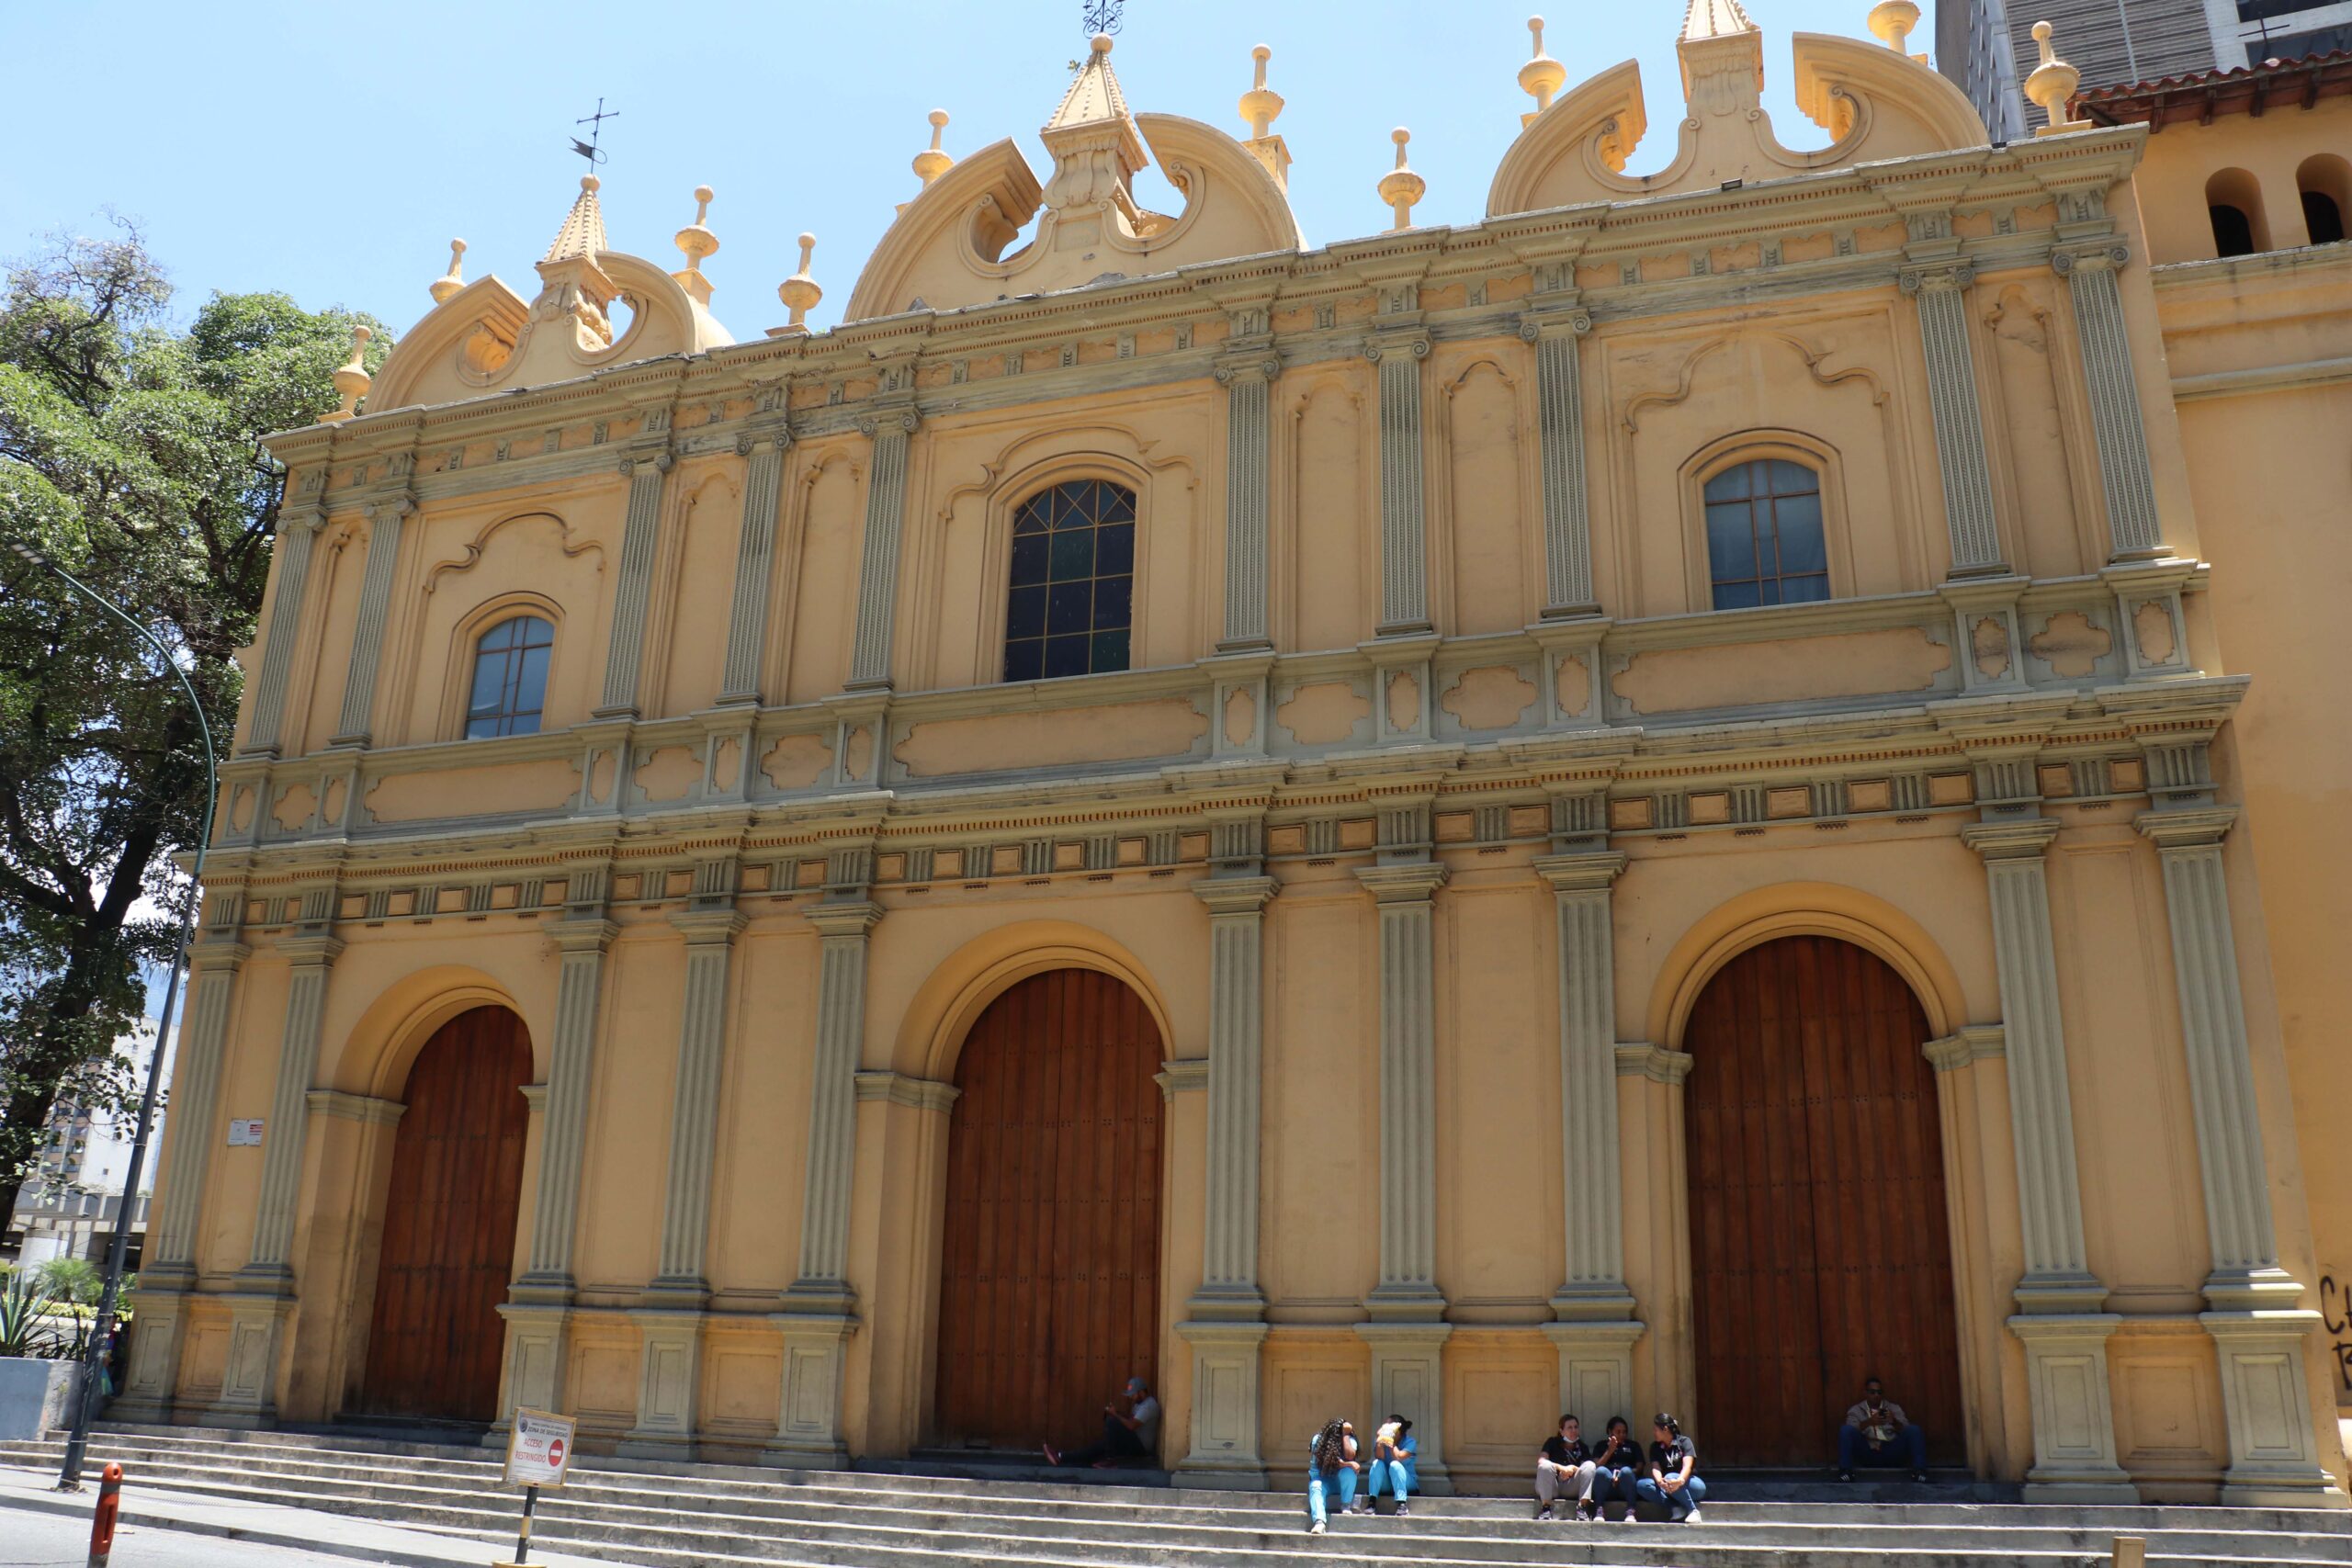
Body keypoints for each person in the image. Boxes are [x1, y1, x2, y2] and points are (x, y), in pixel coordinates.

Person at [1043, 1375, 1160, 1469]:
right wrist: (1117, 1412)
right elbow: (1131, 1418)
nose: (1131, 1397)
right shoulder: (1139, 1404)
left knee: (1111, 1422)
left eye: (1133, 1394)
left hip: (1141, 1447)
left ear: (1141, 1392)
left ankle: (1110, 1460)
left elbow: (1132, 1426)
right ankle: (1060, 1457)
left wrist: (1115, 1415)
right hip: (1133, 1441)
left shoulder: (1149, 1406)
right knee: (1097, 1448)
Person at [1838, 1375, 1929, 1483]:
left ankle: (1919, 1472)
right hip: (1868, 1452)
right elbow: (1850, 1429)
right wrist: (1869, 1422)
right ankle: (1846, 1472)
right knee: (1845, 1430)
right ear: (1865, 1393)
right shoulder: (1856, 1410)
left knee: (1914, 1430)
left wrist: (1894, 1421)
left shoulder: (1893, 1408)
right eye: (1872, 1392)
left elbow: (1906, 1429)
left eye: (1879, 1392)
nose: (1876, 1395)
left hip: (1891, 1451)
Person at [1633, 1411, 1705, 1523]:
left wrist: (1679, 1481)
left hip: (1690, 1485)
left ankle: (1692, 1510)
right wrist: (1659, 1481)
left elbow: (1687, 1467)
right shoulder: (1655, 1447)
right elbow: (1656, 1468)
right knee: (1642, 1485)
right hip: (1667, 1486)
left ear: (1665, 1429)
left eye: (1656, 1429)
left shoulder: (1684, 1442)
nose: (1654, 1432)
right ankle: (1675, 1507)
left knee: (1670, 1476)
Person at [1583, 1416, 1645, 1522]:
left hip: (1625, 1486)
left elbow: (1639, 1467)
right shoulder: (1601, 1445)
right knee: (1601, 1471)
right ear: (1610, 1431)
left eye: (1624, 1432)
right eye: (1618, 1432)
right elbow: (1596, 1466)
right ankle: (1599, 1510)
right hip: (1607, 1487)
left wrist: (1621, 1475)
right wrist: (1610, 1450)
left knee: (1626, 1470)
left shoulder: (1633, 1446)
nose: (1622, 1435)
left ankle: (1630, 1511)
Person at [1304, 1418, 1359, 1535]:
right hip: (1323, 1480)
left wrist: (1345, 1435)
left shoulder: (1349, 1440)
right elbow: (1324, 1463)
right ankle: (1319, 1522)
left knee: (1348, 1472)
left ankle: (1345, 1505)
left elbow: (1350, 1456)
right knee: (1315, 1485)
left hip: (1340, 1482)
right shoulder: (1318, 1440)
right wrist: (1347, 1464)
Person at [1533, 1413, 1593, 1519]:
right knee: (1545, 1466)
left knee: (1590, 1465)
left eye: (1575, 1427)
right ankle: (1546, 1508)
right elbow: (1541, 1461)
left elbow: (1585, 1470)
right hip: (1551, 1486)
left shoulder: (1582, 1447)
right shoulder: (1552, 1442)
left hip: (1570, 1486)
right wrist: (1562, 1468)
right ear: (1561, 1431)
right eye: (1569, 1428)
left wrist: (1573, 1469)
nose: (1573, 1430)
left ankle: (1582, 1508)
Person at [1361, 1414, 1418, 1515]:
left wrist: (1392, 1441)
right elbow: (1380, 1457)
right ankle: (1372, 1502)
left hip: (1407, 1482)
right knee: (1376, 1463)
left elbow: (1399, 1457)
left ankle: (1402, 1504)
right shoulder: (1383, 1440)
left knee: (1395, 1465)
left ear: (1398, 1431)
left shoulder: (1410, 1442)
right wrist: (1379, 1441)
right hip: (1388, 1482)